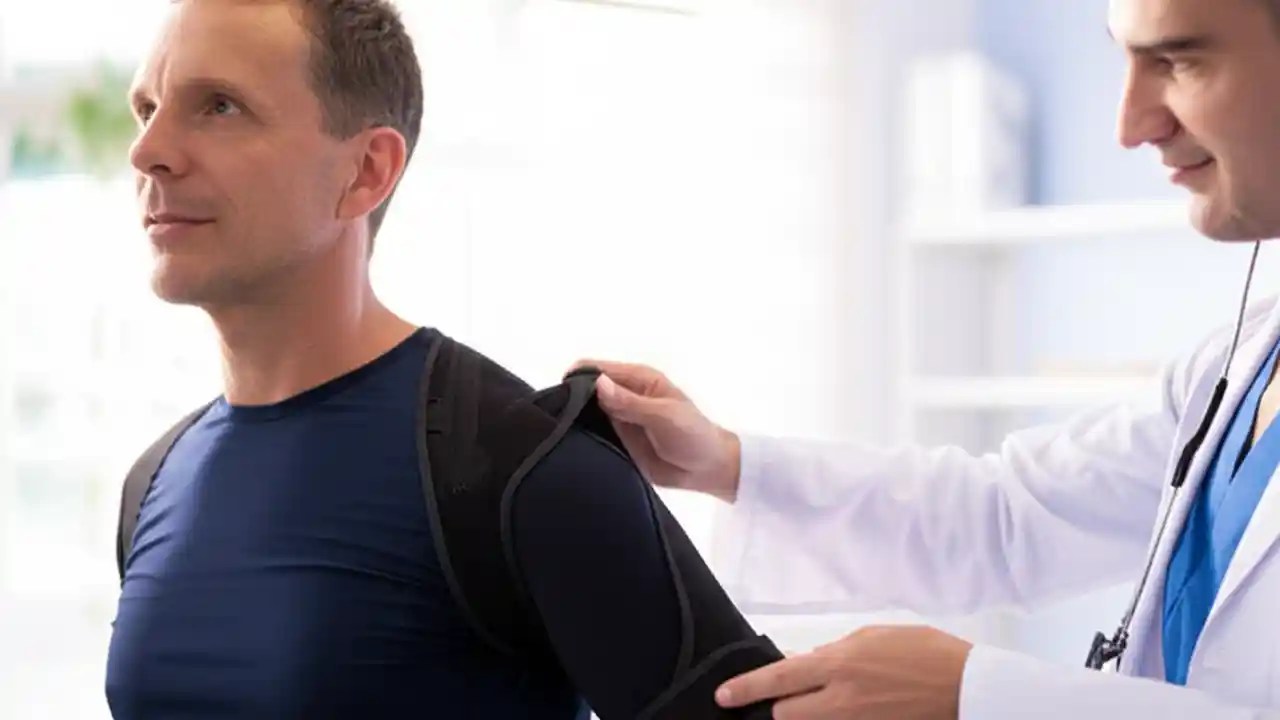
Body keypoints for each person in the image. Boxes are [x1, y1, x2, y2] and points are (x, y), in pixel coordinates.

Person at [576, 0, 1280, 717]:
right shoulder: (1235, 366)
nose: (1130, 126)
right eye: (1124, 60)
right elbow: (1006, 518)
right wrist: (725, 462)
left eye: (1179, 61)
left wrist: (978, 695)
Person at [103, 1, 779, 718]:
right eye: (146, 108)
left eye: (219, 106)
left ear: (367, 171)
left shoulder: (518, 468)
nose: (148, 150)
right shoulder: (154, 481)